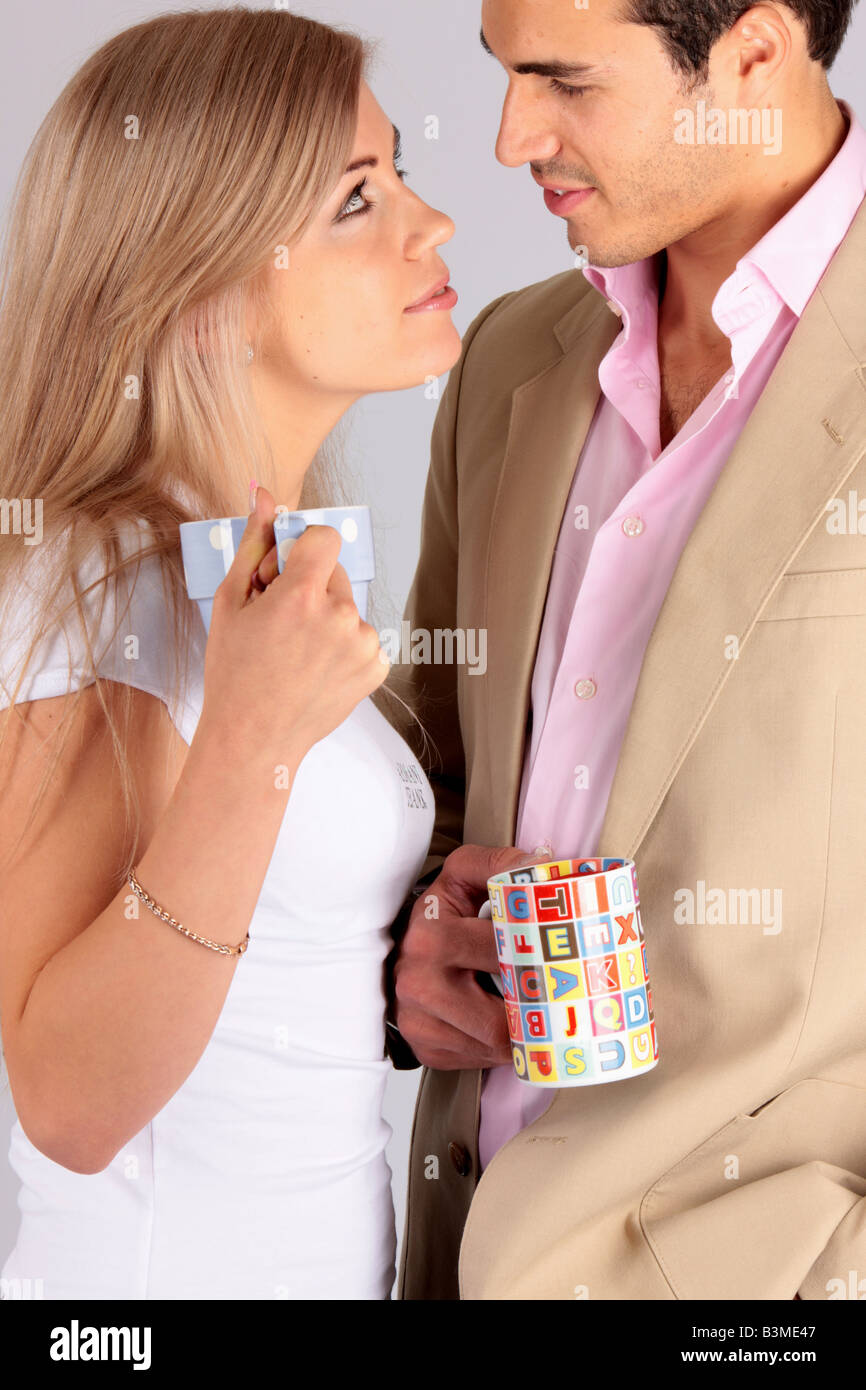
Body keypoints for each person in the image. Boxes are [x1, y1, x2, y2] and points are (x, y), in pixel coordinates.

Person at [387, 0, 866, 1299]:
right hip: (464, 1251)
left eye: (563, 84)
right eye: (499, 77)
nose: (506, 138)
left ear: (754, 52)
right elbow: (431, 761)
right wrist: (413, 944)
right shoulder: (507, 359)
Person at [0, 7, 463, 1301]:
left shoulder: (242, 572)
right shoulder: (79, 579)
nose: (432, 224)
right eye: (357, 201)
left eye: (400, 178)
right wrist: (253, 747)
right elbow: (72, 1103)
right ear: (203, 298)